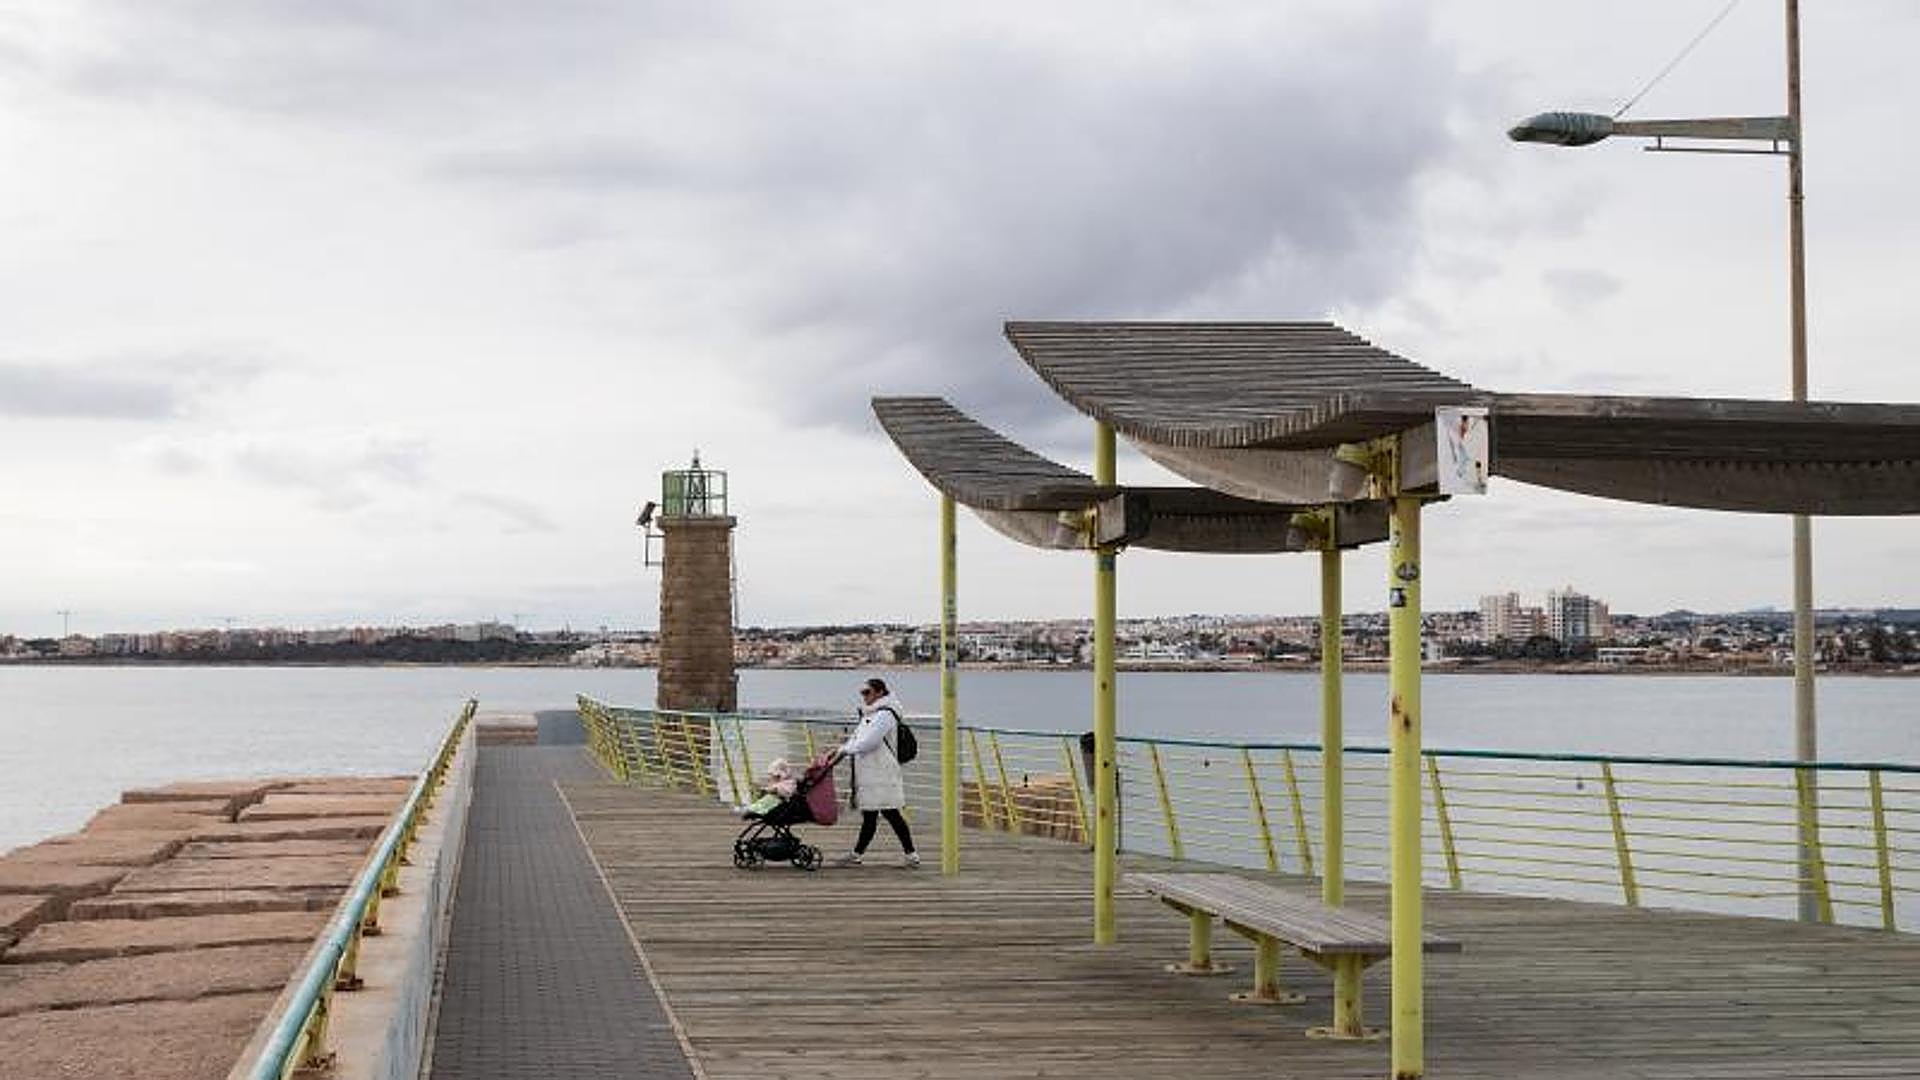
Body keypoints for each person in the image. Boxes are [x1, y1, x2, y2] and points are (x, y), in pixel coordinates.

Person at [830, 677, 918, 868]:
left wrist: (844, 750)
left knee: (890, 813)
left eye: (867, 692)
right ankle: (858, 854)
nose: (864, 696)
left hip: (881, 772)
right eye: (862, 693)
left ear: (879, 692)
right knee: (873, 815)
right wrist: (840, 750)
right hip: (872, 773)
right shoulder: (872, 714)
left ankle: (911, 854)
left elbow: (869, 742)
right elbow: (857, 738)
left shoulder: (885, 715)